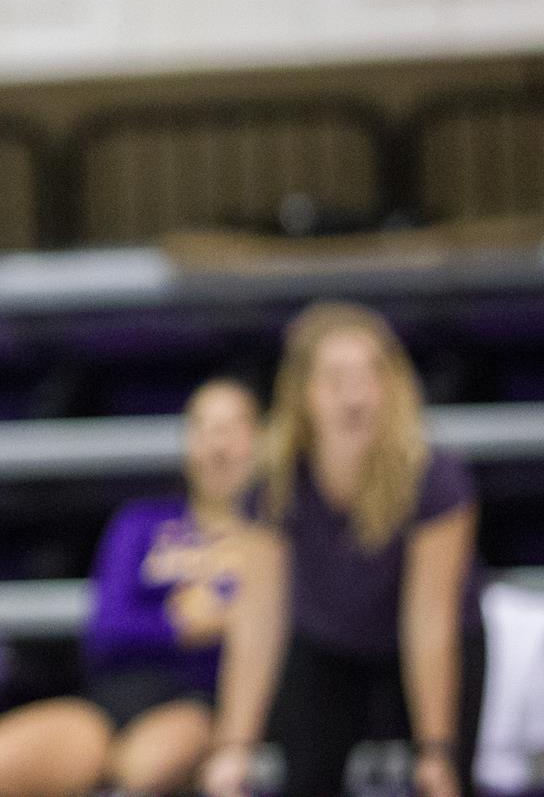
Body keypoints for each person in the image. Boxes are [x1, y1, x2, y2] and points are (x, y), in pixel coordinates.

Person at [204, 302, 487, 797]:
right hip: (326, 649)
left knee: (444, 779)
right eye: (336, 379)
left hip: (427, 646)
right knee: (306, 774)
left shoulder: (436, 479)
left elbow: (429, 621)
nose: (355, 396)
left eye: (370, 376)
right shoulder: (274, 483)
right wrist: (233, 747)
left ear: (393, 386)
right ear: (304, 392)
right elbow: (259, 619)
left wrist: (436, 751)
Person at [0, 378, 262, 797]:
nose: (218, 446)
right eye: (205, 429)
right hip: (115, 697)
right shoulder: (141, 522)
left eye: (232, 429)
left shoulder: (274, 538)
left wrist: (220, 624)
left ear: (261, 441)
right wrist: (182, 625)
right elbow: (108, 626)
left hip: (205, 701)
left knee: (146, 767)